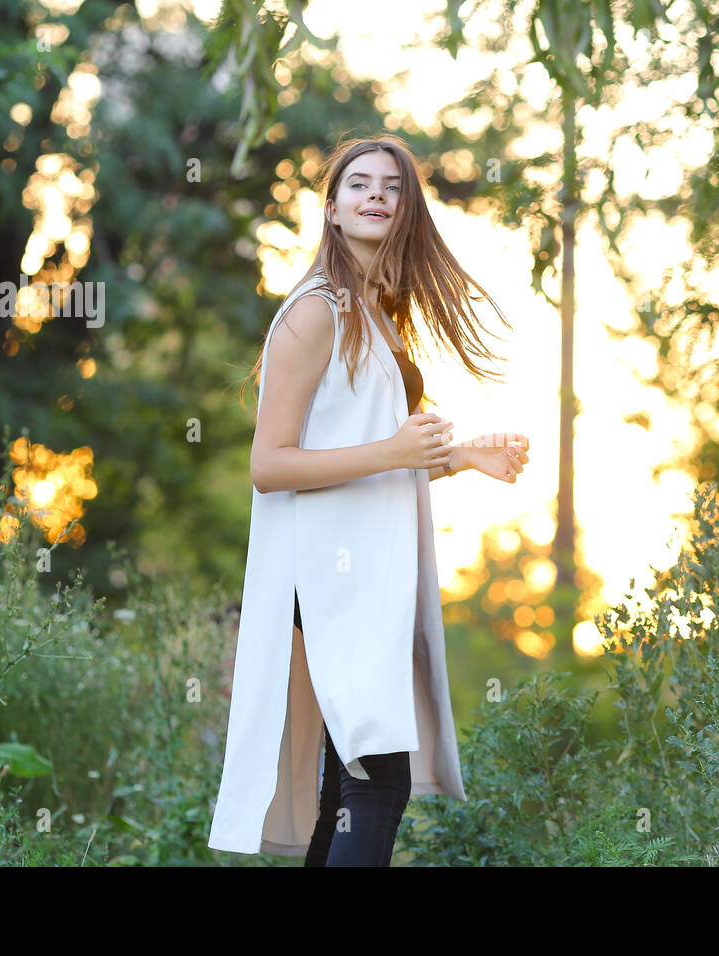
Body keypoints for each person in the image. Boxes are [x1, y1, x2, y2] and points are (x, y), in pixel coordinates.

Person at [207, 133, 531, 866]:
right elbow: (269, 465)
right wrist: (396, 451)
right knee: (377, 774)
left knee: (350, 781)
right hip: (322, 581)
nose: (376, 194)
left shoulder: (380, 312)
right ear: (330, 209)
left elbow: (372, 461)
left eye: (391, 186)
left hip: (363, 578)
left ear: (407, 209)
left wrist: (460, 459)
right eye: (359, 184)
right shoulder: (313, 312)